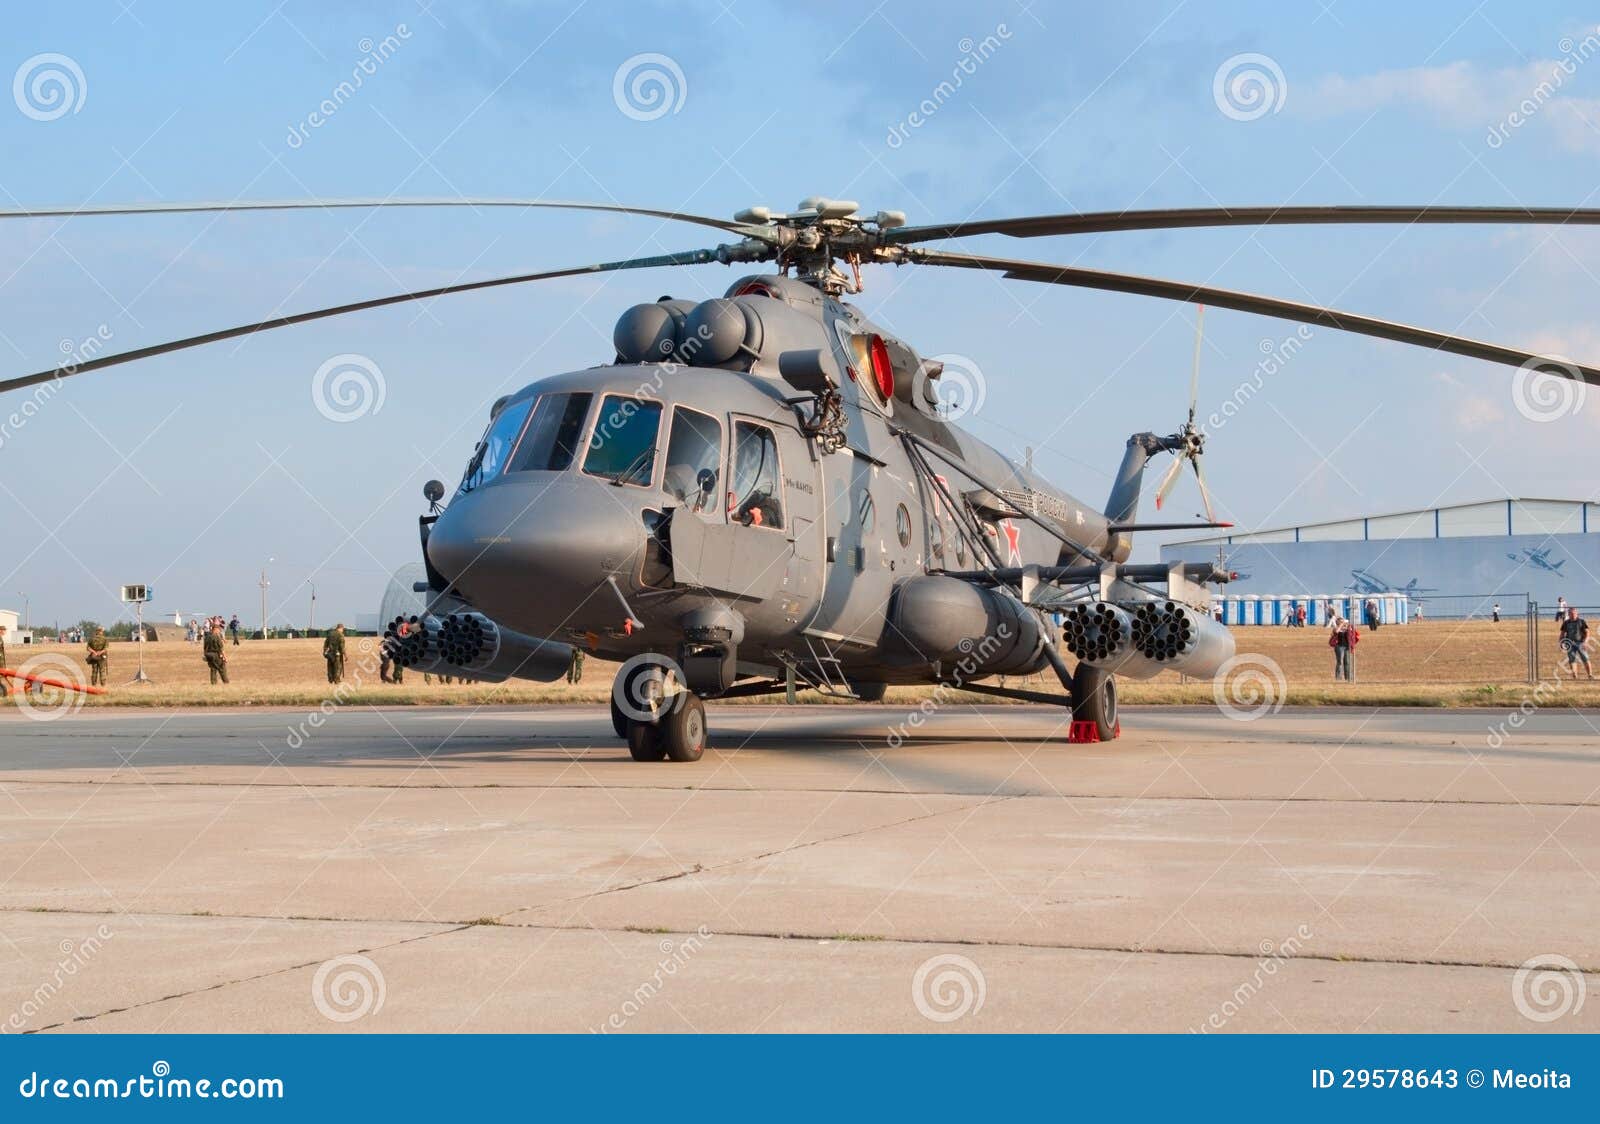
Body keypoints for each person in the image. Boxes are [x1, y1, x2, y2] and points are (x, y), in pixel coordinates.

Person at [1559, 607, 1592, 680]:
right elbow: (1562, 634)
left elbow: (1587, 632)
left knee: (1585, 659)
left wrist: (1585, 642)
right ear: (1568, 614)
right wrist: (1561, 643)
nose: (1572, 615)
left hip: (1581, 643)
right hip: (1570, 644)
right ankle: (1575, 676)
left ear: (1577, 613)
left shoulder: (1581, 621)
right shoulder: (1566, 623)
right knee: (1572, 660)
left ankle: (1590, 675)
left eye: (1574, 613)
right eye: (1571, 613)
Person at [1329, 614, 1359, 681]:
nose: (1342, 622)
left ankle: (1348, 677)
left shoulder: (1347, 628)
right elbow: (1336, 631)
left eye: (1343, 621)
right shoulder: (1336, 628)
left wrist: (1348, 626)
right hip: (1339, 647)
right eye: (1340, 621)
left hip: (1347, 647)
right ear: (1338, 622)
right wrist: (1341, 624)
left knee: (1347, 662)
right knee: (1340, 662)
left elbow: (1353, 633)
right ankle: (1338, 677)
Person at [203, 620, 229, 684]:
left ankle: (213, 683)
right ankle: (226, 682)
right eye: (218, 629)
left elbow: (205, 648)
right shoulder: (217, 637)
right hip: (216, 655)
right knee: (222, 669)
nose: (219, 631)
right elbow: (221, 649)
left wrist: (205, 655)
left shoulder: (207, 637)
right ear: (215, 629)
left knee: (213, 669)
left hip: (208, 655)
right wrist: (225, 657)